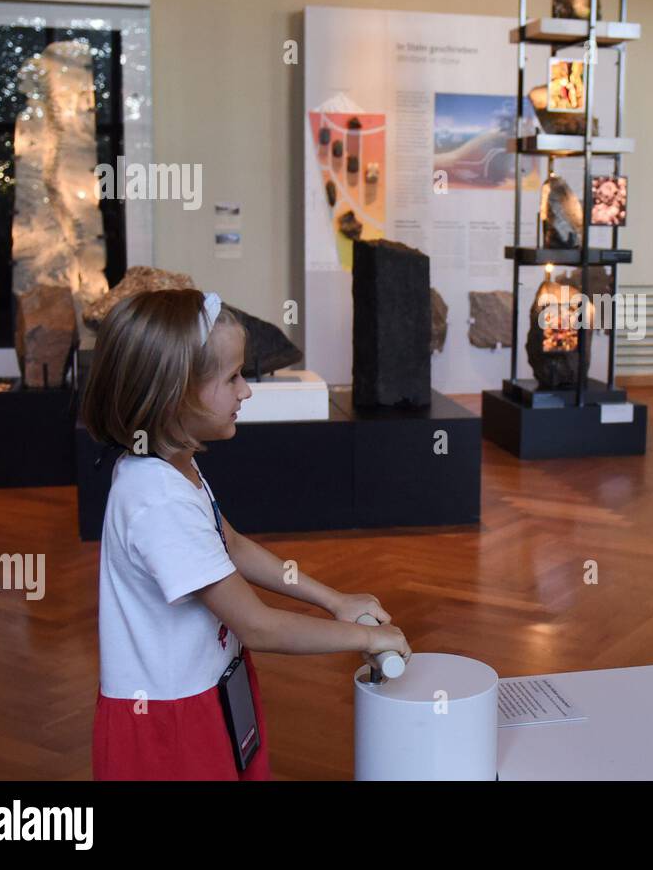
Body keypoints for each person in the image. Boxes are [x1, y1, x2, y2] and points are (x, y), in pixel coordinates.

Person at [80, 288, 410, 779]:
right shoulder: (158, 500)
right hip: (169, 721)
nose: (246, 391)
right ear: (175, 391)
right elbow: (258, 625)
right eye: (232, 377)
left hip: (208, 687)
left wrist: (334, 599)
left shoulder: (172, 465)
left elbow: (230, 544)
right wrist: (364, 635)